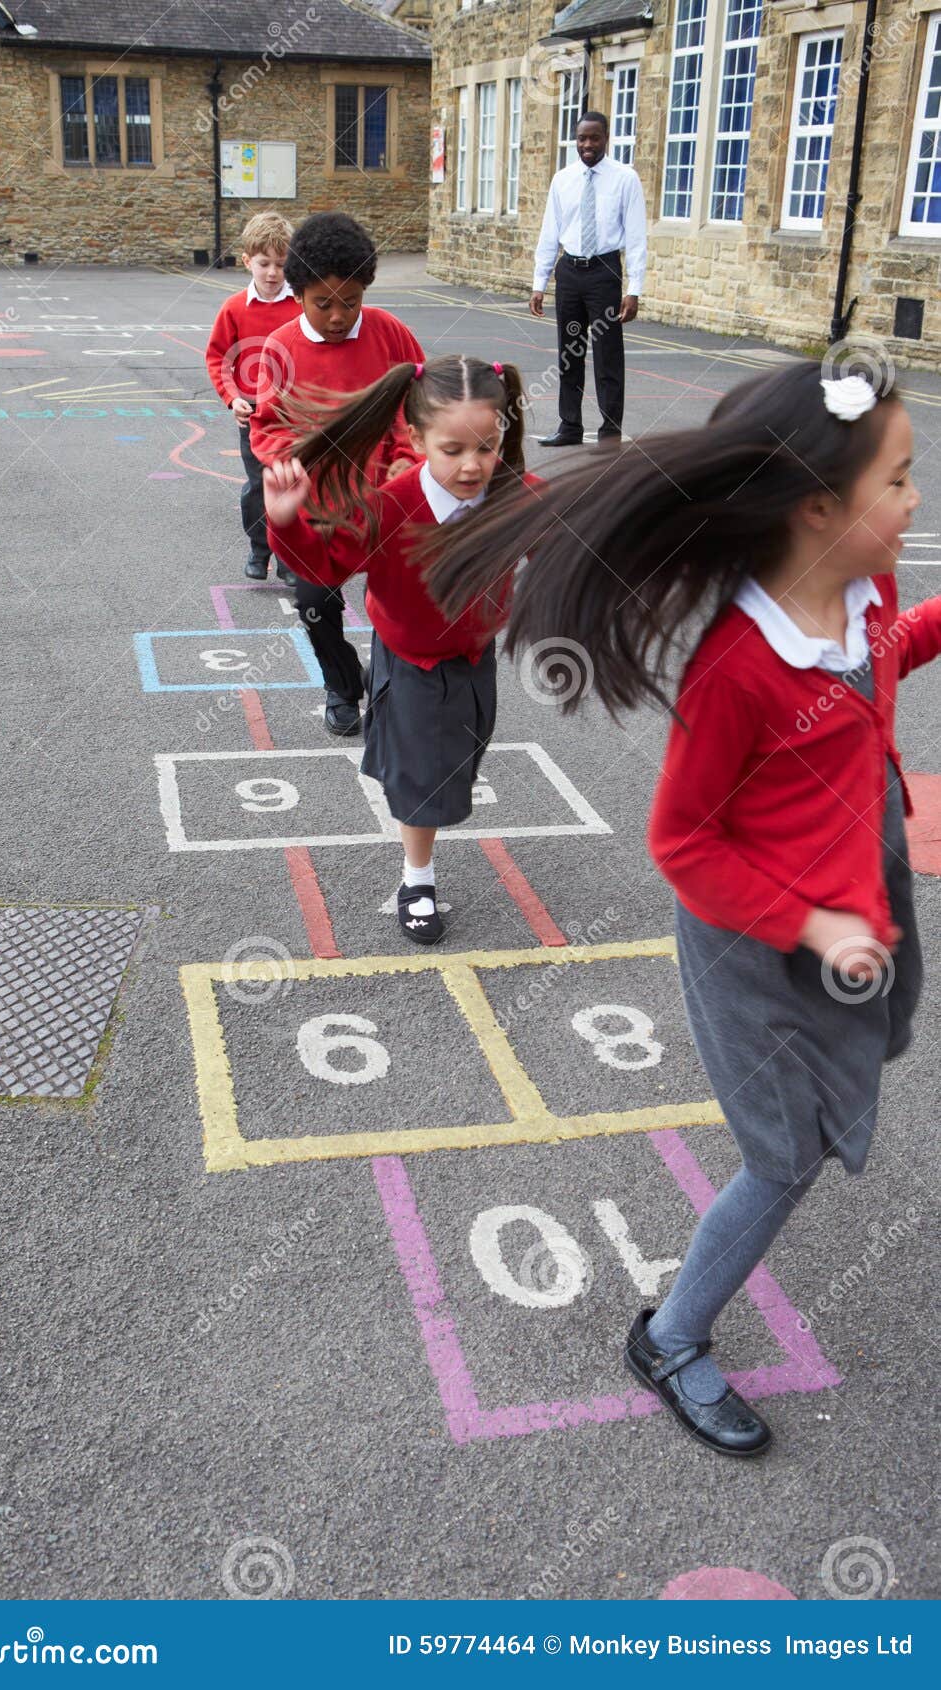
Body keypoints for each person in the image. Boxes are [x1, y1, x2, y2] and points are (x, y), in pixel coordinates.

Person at [426, 359, 940, 1456]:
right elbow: (681, 845)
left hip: (853, 886)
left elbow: (881, 661)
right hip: (753, 939)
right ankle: (667, 1336)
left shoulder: (867, 594)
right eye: (896, 481)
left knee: (855, 1061)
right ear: (816, 510)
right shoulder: (737, 671)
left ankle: (824, 1072)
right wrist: (810, 927)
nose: (912, 502)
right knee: (780, 1158)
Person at [264, 354, 542, 944]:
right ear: (417, 439)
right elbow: (324, 567)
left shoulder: (516, 496)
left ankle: (404, 783)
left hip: (474, 658)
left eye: (487, 448)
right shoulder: (388, 506)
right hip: (412, 658)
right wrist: (286, 522)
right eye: (453, 450)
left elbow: (567, 549)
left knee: (455, 767)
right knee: (423, 781)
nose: (473, 466)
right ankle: (417, 879)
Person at [250, 213, 423, 737]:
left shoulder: (391, 333)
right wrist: (294, 463)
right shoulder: (280, 347)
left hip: (388, 500)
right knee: (313, 603)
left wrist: (407, 460)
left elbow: (420, 405)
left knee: (401, 598)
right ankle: (344, 684)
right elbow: (267, 426)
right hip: (321, 506)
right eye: (323, 303)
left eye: (351, 302)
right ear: (298, 294)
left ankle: (395, 684)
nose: (338, 315)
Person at [530, 111, 646, 447]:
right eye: (582, 138)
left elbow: (637, 238)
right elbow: (549, 233)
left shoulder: (625, 178)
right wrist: (540, 283)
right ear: (575, 140)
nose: (587, 145)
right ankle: (570, 426)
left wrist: (634, 290)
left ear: (606, 138)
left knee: (608, 355)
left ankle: (610, 430)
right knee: (570, 352)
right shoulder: (562, 180)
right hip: (570, 273)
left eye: (594, 138)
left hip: (605, 272)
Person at [205, 211, 298, 581]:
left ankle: (290, 559)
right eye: (264, 264)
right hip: (254, 415)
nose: (273, 272)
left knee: (290, 486)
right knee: (259, 486)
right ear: (247, 262)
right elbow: (218, 358)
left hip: (294, 414)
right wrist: (232, 398)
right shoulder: (234, 308)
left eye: (281, 264)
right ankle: (260, 550)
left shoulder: (302, 305)